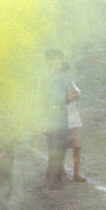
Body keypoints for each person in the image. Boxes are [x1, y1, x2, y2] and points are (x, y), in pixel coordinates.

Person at [39, 49, 73, 190]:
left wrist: (69, 97)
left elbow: (66, 95)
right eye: (56, 59)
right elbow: (42, 98)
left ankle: (56, 174)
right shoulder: (44, 78)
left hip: (62, 114)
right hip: (50, 115)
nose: (59, 61)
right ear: (49, 61)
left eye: (60, 59)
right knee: (53, 147)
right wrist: (41, 119)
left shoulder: (64, 78)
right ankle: (51, 179)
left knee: (62, 146)